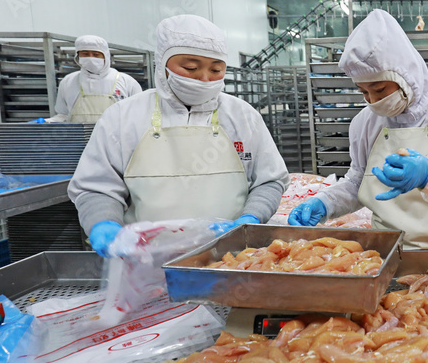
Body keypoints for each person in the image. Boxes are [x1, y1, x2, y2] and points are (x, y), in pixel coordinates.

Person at [68, 15, 289, 256]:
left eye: (216, 69)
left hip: (232, 258)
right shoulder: (122, 117)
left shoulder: (242, 115)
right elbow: (97, 188)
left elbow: (269, 180)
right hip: (144, 261)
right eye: (191, 68)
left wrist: (250, 218)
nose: (204, 78)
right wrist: (103, 223)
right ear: (162, 63)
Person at [289, 10, 428, 250]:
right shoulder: (365, 123)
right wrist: (326, 202)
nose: (372, 100)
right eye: (364, 92)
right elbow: (358, 181)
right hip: (386, 257)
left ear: (404, 75)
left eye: (379, 90)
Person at [49, 35, 142, 123]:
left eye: (96, 54)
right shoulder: (68, 82)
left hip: (116, 139)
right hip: (80, 138)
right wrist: (47, 122)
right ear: (78, 56)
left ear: (105, 55)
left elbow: (139, 114)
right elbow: (63, 115)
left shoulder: (126, 82)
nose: (90, 58)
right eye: (85, 54)